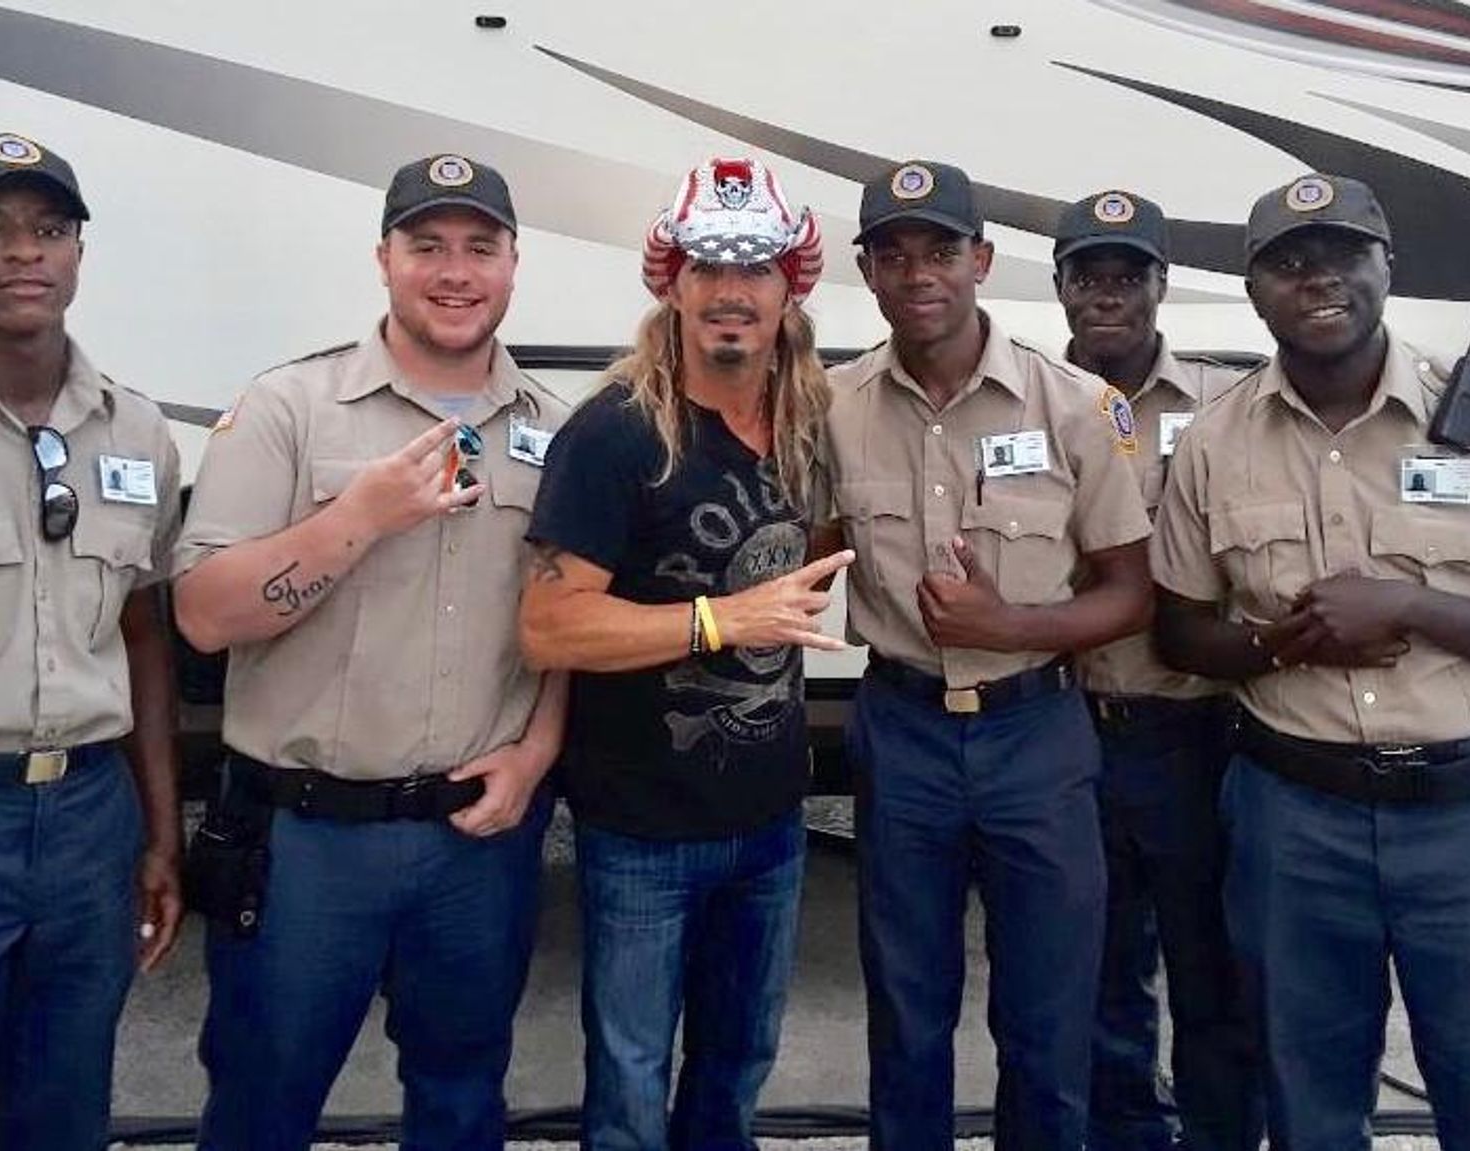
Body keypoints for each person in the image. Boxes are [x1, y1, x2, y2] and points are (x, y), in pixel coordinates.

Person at [173, 153, 569, 1150]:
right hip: (307, 839)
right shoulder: (289, 407)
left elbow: (563, 624)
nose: (455, 271)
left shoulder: (554, 430)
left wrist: (536, 754)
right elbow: (204, 616)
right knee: (263, 1105)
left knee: (462, 1101)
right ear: (384, 258)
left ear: (514, 263)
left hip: (475, 843)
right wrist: (358, 517)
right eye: (427, 245)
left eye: (479, 247)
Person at [812, 160, 1153, 1151]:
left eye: (942, 251)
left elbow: (1131, 591)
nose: (919, 274)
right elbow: (803, 550)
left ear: (983, 261)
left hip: (1035, 733)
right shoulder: (832, 406)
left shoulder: (1076, 404)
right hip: (903, 731)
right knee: (906, 1010)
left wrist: (1011, 628)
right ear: (868, 271)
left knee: (1048, 1018)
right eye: (893, 254)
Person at [518, 156, 849, 1151]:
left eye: (755, 267)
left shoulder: (806, 424)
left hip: (773, 819)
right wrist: (718, 620)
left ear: (790, 286)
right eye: (708, 265)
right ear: (672, 281)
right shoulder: (615, 434)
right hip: (642, 828)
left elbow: (814, 552)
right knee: (630, 1080)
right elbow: (549, 625)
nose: (731, 290)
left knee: (738, 1065)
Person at [1152, 173, 1470, 1149]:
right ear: (1254, 290)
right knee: (1308, 1097)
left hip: (1462, 817)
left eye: (1342, 255)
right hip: (1294, 820)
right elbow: (1179, 631)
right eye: (1289, 263)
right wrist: (1282, 640)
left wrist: (1410, 603)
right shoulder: (1215, 439)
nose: (1318, 279)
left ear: (1388, 265)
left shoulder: (1469, 411)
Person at [0, 132, 182, 1151]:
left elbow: (144, 634)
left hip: (90, 817)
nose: (23, 252)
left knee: (65, 1104)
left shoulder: (137, 430)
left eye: (49, 229)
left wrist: (161, 834)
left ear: (80, 253)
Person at [1053, 189, 1263, 1151]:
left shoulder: (1226, 404)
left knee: (1211, 967)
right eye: (1087, 275)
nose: (1107, 294)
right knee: (1097, 969)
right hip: (1068, 727)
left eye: (1127, 275)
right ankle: (1126, 1133)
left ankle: (1221, 1133)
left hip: (1193, 730)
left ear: (1161, 285)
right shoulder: (1026, 401)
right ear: (1061, 287)